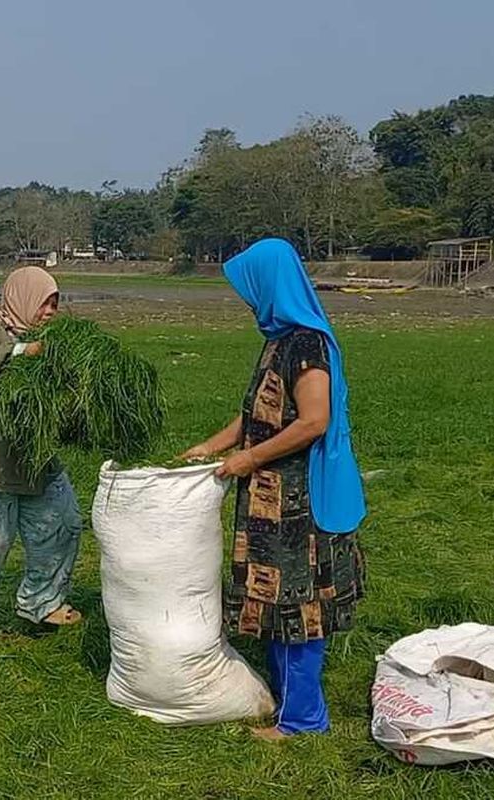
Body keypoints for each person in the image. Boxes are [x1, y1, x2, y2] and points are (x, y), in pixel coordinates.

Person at [180, 238, 366, 739]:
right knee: (280, 605)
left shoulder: (307, 344)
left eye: (250, 288)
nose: (246, 299)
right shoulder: (279, 341)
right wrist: (210, 446)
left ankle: (305, 720)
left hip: (299, 505)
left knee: (301, 608)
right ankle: (289, 703)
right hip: (270, 499)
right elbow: (253, 417)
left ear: (270, 285)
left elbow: (313, 421)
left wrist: (248, 459)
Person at [0, 266, 84, 659]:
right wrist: (24, 351)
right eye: (45, 302)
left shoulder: (55, 341)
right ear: (24, 298)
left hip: (36, 460)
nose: (51, 311)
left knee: (63, 523)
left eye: (56, 303)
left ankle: (42, 604)